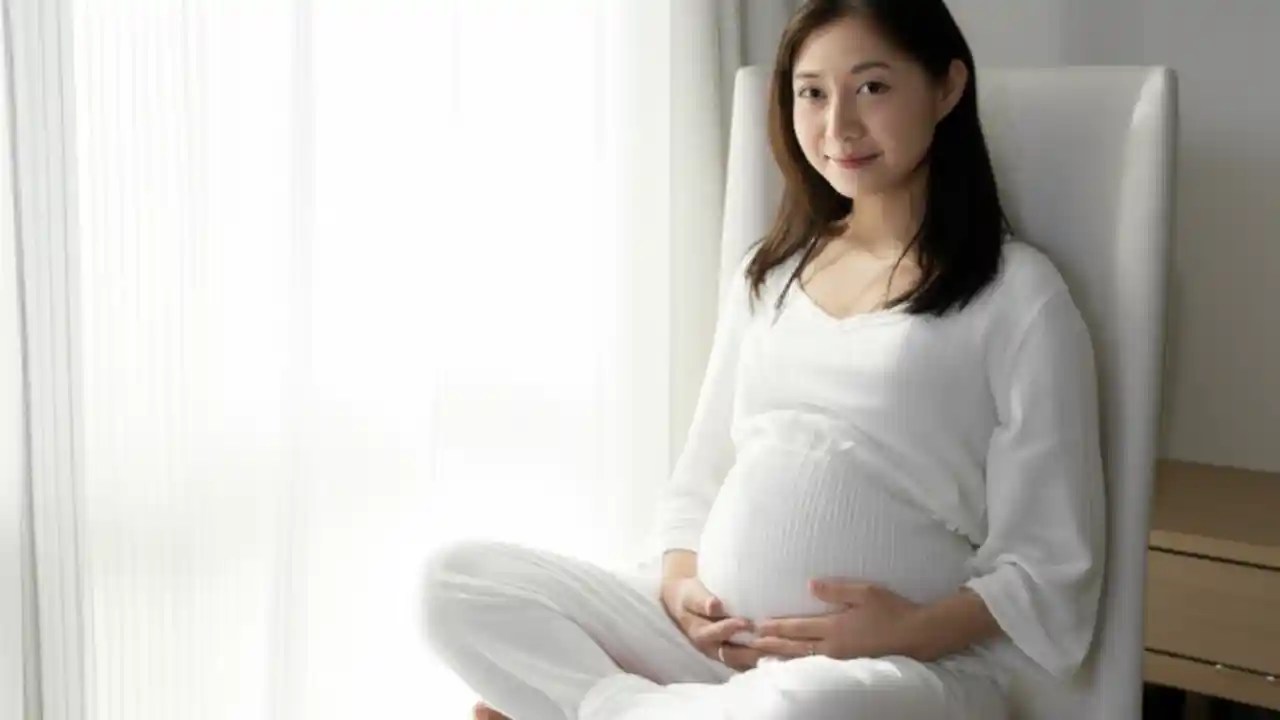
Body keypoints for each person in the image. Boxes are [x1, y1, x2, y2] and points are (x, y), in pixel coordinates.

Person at [421, 0, 1106, 718]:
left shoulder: (1018, 295)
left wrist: (905, 629)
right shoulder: (769, 275)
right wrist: (682, 587)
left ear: (946, 87)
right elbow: (701, 477)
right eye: (812, 92)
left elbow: (1049, 561)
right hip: (709, 650)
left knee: (794, 711)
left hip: (887, 671)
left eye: (871, 87)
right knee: (453, 583)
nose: (837, 125)